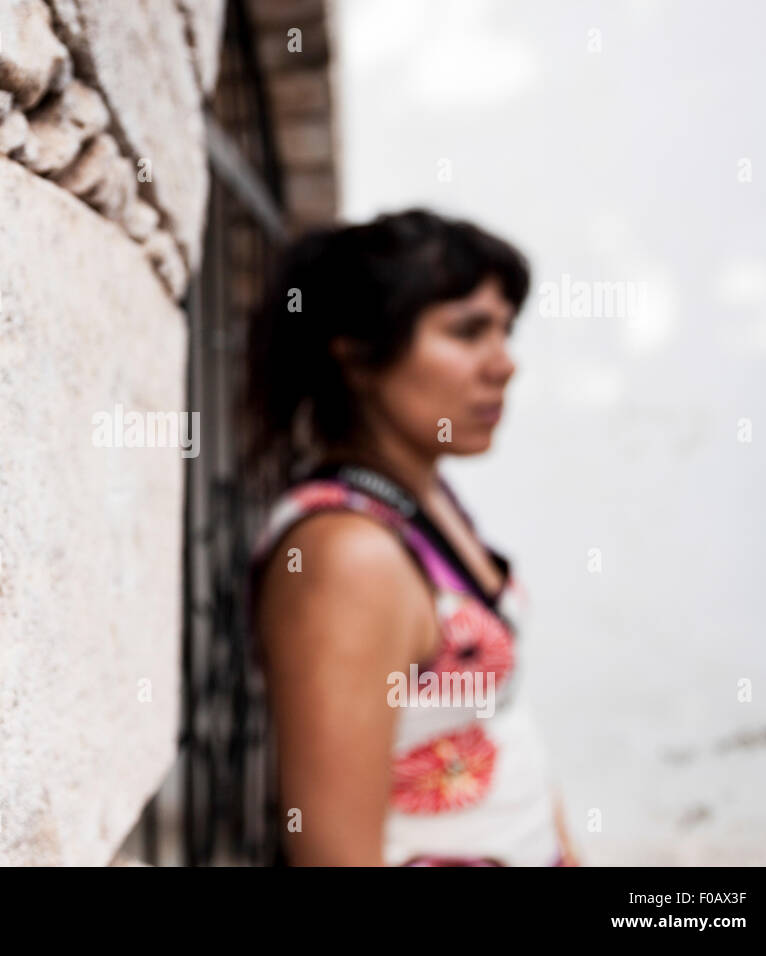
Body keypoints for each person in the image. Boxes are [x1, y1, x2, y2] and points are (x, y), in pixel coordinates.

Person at [244, 208, 579, 866]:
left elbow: (504, 728)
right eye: (467, 331)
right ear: (360, 356)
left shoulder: (423, 500)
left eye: (505, 330)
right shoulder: (347, 556)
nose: (504, 363)